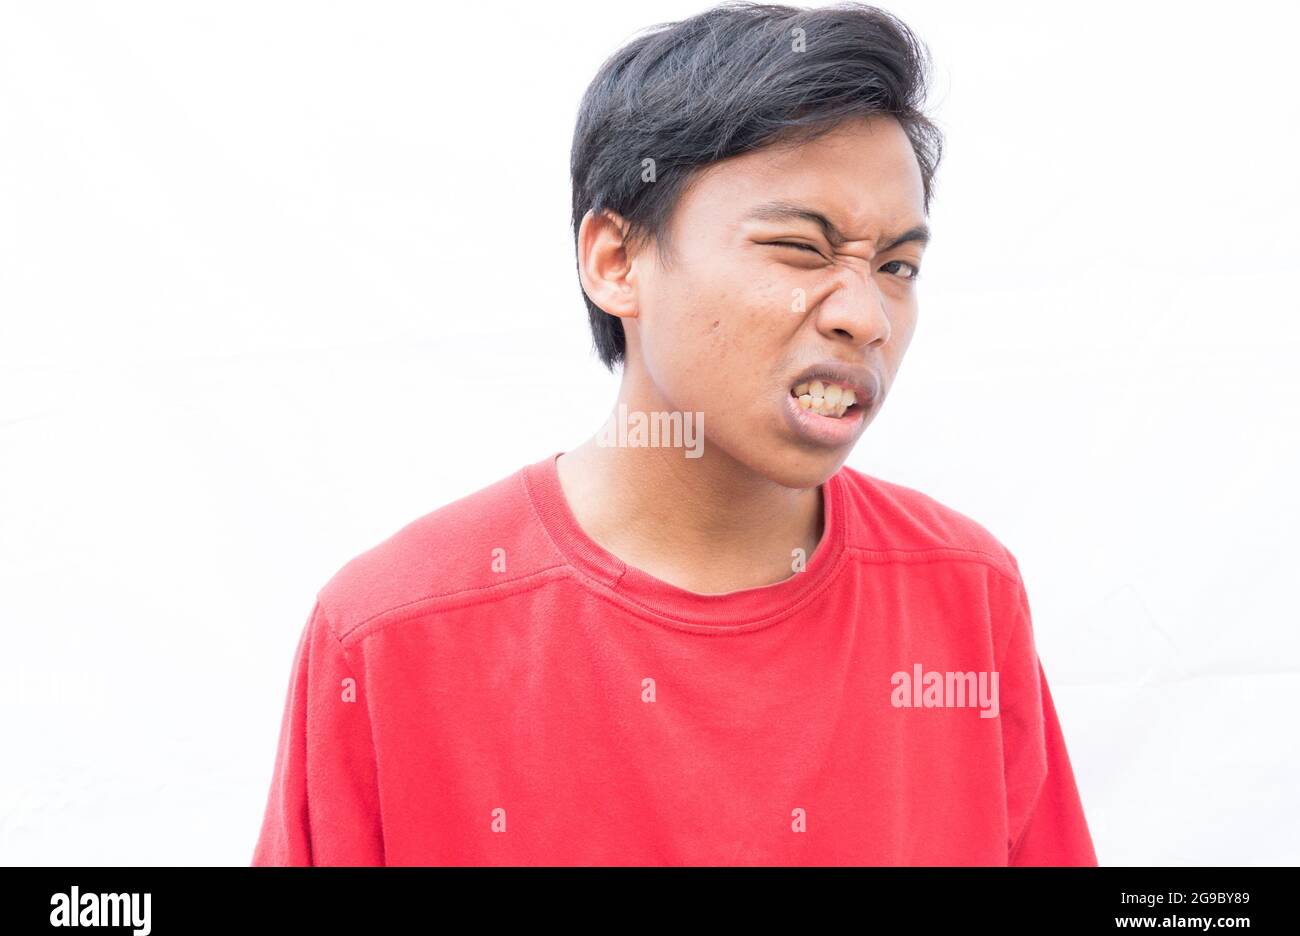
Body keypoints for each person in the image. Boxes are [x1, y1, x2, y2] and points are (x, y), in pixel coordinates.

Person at [252, 0, 1098, 866]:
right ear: (616, 262)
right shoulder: (390, 633)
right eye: (803, 250)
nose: (865, 315)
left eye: (897, 267)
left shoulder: (966, 595)